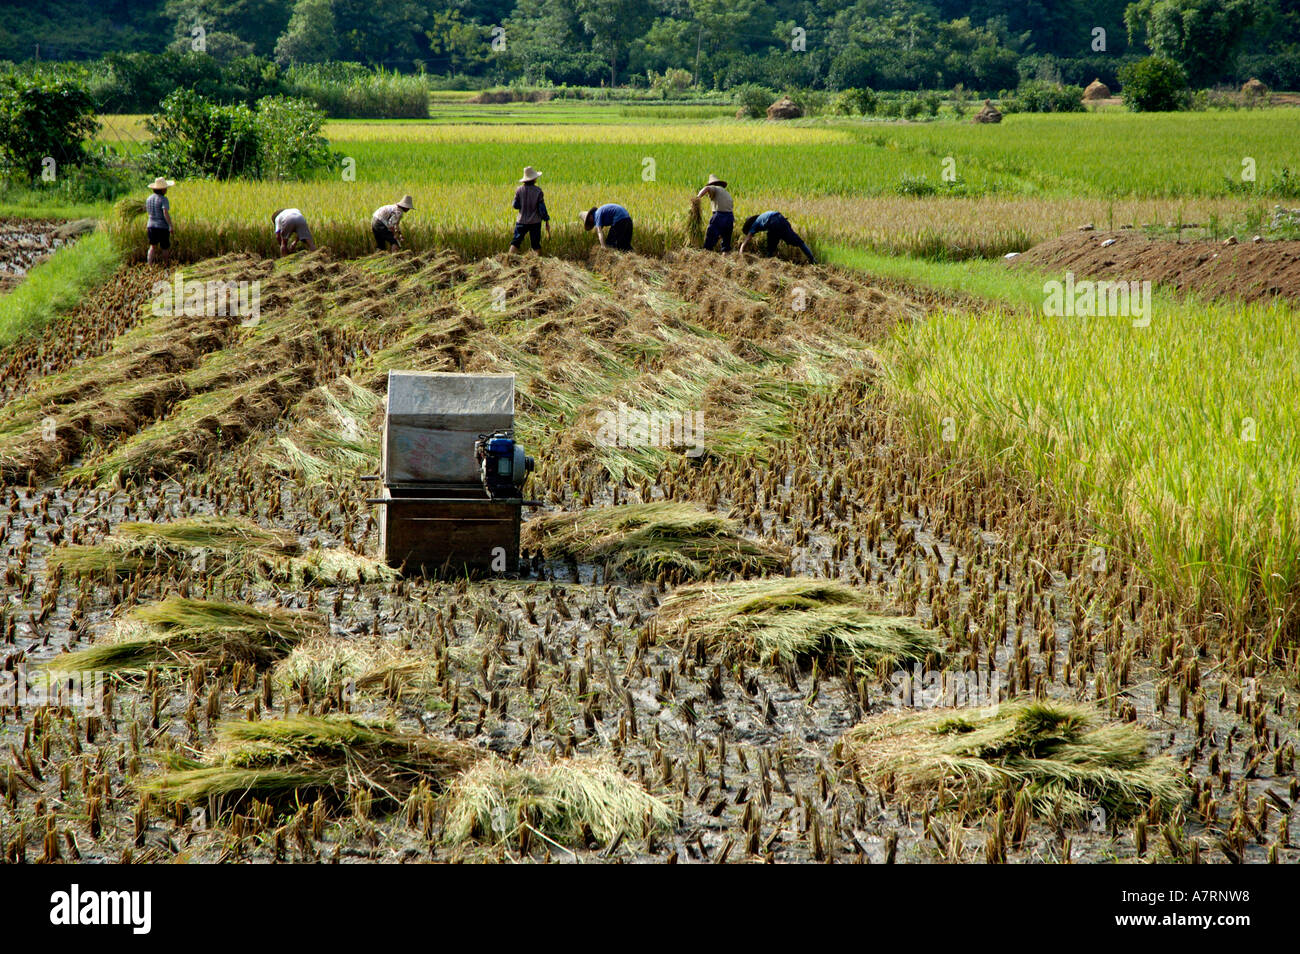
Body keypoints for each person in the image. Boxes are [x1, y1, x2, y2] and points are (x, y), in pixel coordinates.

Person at [738, 210, 816, 263]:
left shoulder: (754, 224)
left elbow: (748, 237)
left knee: (771, 241)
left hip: (773, 222)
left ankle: (768, 260)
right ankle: (812, 259)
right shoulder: (762, 217)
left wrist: (741, 250)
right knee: (798, 241)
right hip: (781, 219)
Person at [509, 166, 550, 255]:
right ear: (534, 179)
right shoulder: (538, 191)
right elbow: (542, 208)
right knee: (535, 244)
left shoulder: (519, 190)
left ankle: (508, 258)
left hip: (521, 221)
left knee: (516, 241)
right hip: (535, 222)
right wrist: (546, 220)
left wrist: (523, 205)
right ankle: (537, 262)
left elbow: (515, 205)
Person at [695, 174, 734, 252]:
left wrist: (697, 198)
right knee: (726, 240)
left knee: (711, 235)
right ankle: (725, 256)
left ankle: (706, 253)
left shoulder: (714, 188)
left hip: (720, 215)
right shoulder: (725, 192)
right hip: (730, 217)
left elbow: (707, 188)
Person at [145, 177, 175, 265]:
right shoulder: (163, 199)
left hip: (151, 226)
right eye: (165, 188)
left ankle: (149, 266)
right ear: (162, 189)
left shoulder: (149, 199)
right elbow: (165, 212)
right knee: (165, 247)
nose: (166, 190)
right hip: (162, 226)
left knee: (152, 247)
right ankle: (166, 265)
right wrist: (170, 225)